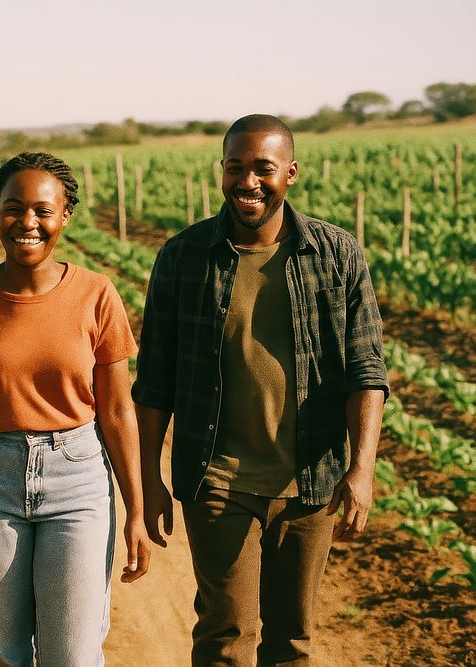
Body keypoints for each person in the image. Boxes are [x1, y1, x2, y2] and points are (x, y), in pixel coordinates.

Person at [133, 114, 388, 665]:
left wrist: (362, 469)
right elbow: (154, 381)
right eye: (235, 168)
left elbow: (367, 372)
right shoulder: (184, 257)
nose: (247, 182)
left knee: (292, 639)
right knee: (225, 636)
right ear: (221, 171)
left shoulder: (337, 254)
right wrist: (149, 477)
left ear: (290, 172)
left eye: (262, 169)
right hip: (217, 480)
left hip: (310, 483)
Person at [0, 152, 149, 666]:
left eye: (43, 210)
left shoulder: (97, 295)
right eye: (13, 208)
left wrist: (136, 509)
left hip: (77, 481)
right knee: (4, 651)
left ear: (66, 216)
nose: (27, 223)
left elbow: (117, 412)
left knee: (73, 654)